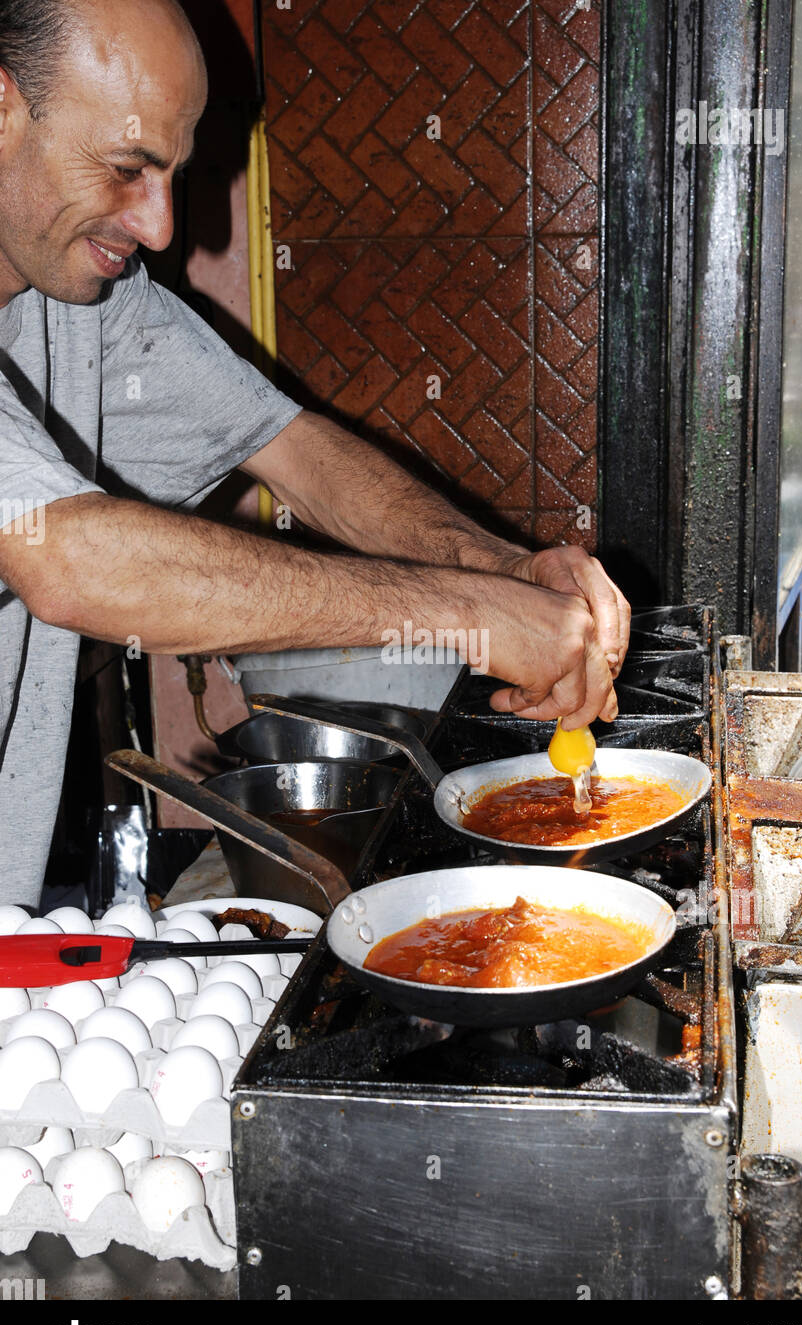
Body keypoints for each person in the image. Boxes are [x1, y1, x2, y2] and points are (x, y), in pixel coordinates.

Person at [0, 0, 630, 909]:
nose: (163, 227)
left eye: (170, 174)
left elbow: (292, 448)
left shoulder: (79, 296)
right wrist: (472, 614)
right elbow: (64, 555)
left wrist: (512, 571)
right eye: (127, 169)